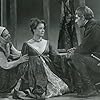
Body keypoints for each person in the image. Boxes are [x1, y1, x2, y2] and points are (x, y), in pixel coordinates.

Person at [14, 18, 70, 99]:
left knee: (63, 88)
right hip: (33, 72)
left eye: (43, 28)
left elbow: (55, 57)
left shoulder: (47, 43)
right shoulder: (27, 44)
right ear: (33, 30)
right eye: (40, 28)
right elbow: (24, 61)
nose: (43, 30)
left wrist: (67, 56)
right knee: (38, 93)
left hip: (49, 71)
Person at [70, 6, 100, 97]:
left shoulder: (94, 26)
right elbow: (88, 45)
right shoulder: (92, 25)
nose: (76, 21)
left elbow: (86, 48)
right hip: (97, 58)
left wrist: (75, 51)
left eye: (77, 18)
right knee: (76, 55)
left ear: (83, 17)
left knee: (76, 57)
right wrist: (76, 49)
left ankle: (90, 87)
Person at [0, 26, 29, 94]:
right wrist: (19, 61)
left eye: (8, 33)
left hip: (7, 65)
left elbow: (17, 53)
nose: (9, 36)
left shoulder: (8, 44)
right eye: (6, 36)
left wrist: (28, 52)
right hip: (2, 69)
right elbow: (5, 65)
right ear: (0, 38)